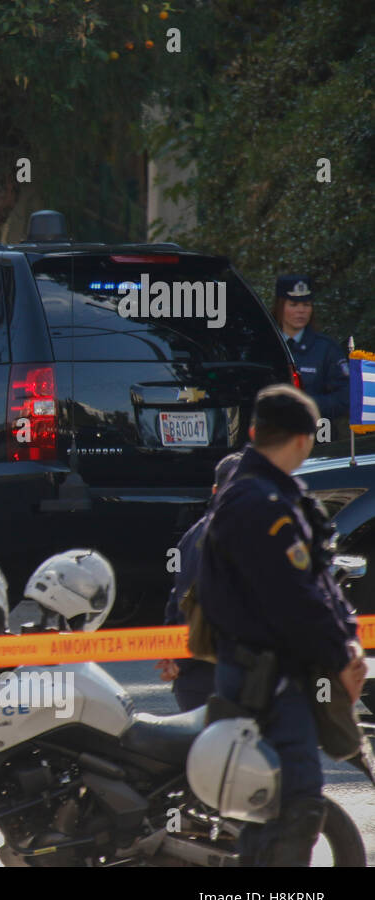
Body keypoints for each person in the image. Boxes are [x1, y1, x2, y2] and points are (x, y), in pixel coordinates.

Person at [197, 385, 366, 866]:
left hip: (274, 674)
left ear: (253, 432)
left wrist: (346, 646)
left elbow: (315, 582)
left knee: (274, 807)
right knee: (289, 804)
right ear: (303, 440)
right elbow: (294, 598)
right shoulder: (260, 503)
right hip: (265, 681)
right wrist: (341, 654)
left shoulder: (267, 494)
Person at [155, 451, 243, 711]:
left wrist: (174, 655)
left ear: (215, 490)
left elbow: (176, 601)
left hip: (193, 684)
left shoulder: (191, 535)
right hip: (224, 681)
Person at [273, 274, 348, 426]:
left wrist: (307, 404)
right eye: (294, 304)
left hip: (318, 435)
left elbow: (345, 397)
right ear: (281, 307)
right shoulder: (267, 346)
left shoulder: (326, 349)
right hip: (274, 436)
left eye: (306, 305)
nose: (301, 311)